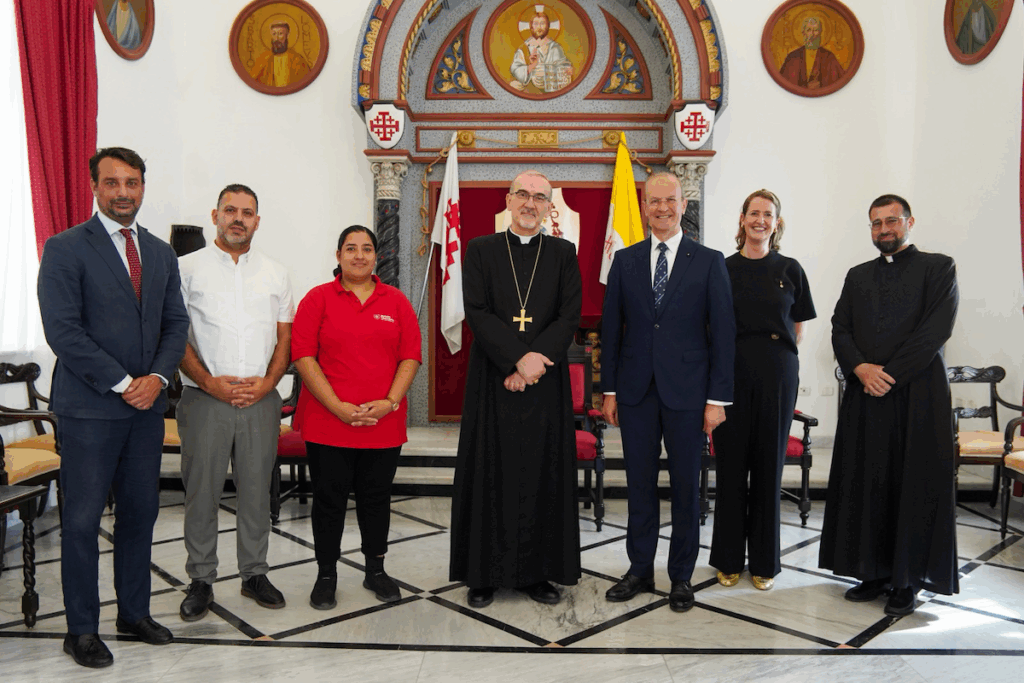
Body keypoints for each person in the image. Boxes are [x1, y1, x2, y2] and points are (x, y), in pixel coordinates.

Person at [37, 147, 190, 668]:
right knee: (80, 521)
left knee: (140, 516)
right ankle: (80, 629)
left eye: (133, 182)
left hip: (146, 411)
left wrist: (157, 379)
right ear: (95, 188)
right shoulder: (64, 248)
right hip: (88, 410)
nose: (123, 192)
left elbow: (176, 325)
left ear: (143, 187)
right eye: (112, 183)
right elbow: (63, 331)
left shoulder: (160, 253)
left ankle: (133, 613)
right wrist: (126, 381)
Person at [819, 194, 960, 617]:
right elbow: (839, 327)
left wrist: (888, 375)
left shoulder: (939, 267)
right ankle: (873, 572)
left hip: (918, 396)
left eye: (891, 221)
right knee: (869, 481)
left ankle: (907, 580)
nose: (884, 230)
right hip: (868, 396)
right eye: (876, 224)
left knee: (912, 485)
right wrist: (861, 369)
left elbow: (935, 331)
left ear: (909, 221)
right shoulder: (857, 275)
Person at [600, 172, 734, 613]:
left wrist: (717, 400)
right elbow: (611, 332)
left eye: (670, 200)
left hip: (690, 397)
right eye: (654, 201)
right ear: (644, 205)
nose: (662, 208)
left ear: (683, 203)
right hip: (636, 393)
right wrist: (611, 390)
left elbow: (723, 335)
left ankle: (680, 577)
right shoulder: (625, 260)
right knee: (639, 485)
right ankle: (639, 569)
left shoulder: (709, 260)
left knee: (685, 489)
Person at [449, 170, 583, 609]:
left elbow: (568, 316)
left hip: (544, 383)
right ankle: (482, 574)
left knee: (541, 474)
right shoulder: (481, 250)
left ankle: (538, 573)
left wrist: (532, 364)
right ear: (507, 200)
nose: (530, 203)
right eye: (522, 195)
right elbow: (478, 311)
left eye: (539, 197)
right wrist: (514, 360)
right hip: (493, 378)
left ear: (550, 206)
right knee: (489, 473)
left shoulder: (564, 253)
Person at [176, 184, 294, 620]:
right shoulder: (185, 269)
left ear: (257, 221)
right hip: (204, 399)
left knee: (256, 492)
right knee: (201, 493)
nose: (238, 218)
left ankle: (254, 573)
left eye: (247, 212)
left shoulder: (276, 273)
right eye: (231, 210)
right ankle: (201, 579)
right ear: (215, 215)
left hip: (261, 401)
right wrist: (208, 382)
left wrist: (268, 384)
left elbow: (285, 339)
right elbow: (176, 336)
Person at [291, 226, 421, 609]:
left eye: (367, 249)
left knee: (376, 499)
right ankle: (326, 575)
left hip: (383, 424)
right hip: (328, 423)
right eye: (351, 248)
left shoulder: (395, 301)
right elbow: (303, 355)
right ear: (338, 255)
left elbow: (410, 356)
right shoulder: (318, 299)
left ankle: (376, 570)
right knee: (328, 500)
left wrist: (390, 401)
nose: (359, 255)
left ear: (376, 257)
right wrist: (337, 407)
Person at [709, 190, 816, 592]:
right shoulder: (721, 267)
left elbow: (799, 326)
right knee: (733, 466)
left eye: (768, 214)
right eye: (754, 213)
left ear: (777, 222)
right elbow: (711, 324)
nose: (760, 220)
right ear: (742, 220)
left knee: (769, 466)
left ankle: (765, 564)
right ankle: (727, 559)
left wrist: (776, 356)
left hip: (777, 373)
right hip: (731, 373)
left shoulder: (790, 268)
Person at [509, 11, 573, 94]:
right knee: (514, 86)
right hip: (530, 88)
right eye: (535, 24)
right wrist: (531, 67)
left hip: (551, 87)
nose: (539, 27)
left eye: (542, 23)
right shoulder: (524, 48)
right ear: (531, 26)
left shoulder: (554, 47)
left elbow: (563, 65)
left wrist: (567, 69)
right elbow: (515, 68)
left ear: (548, 26)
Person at [778, 17, 844, 90]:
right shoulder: (792, 57)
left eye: (815, 30)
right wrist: (806, 87)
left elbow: (840, 83)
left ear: (820, 32)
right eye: (809, 30)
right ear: (803, 32)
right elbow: (784, 84)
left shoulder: (829, 56)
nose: (812, 34)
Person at [249, 21, 311, 88]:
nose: (277, 38)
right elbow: (252, 81)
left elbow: (305, 81)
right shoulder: (263, 58)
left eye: (280, 34)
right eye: (274, 34)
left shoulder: (297, 59)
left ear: (287, 35)